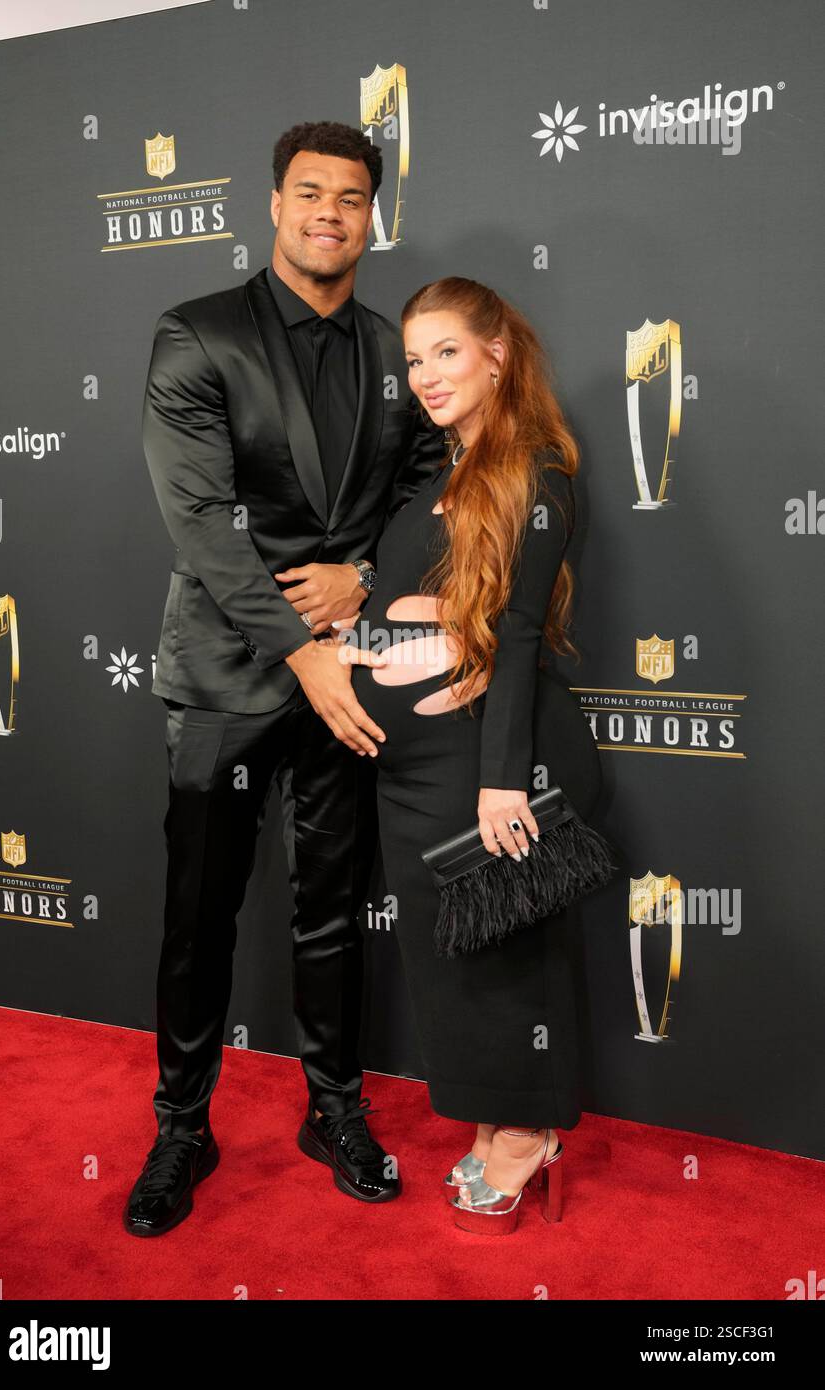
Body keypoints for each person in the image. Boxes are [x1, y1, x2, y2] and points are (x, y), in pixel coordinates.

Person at [123, 120, 446, 1237]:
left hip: (348, 671)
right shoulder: (196, 333)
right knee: (197, 917)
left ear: (372, 215)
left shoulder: (394, 350)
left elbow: (425, 488)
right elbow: (199, 519)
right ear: (272, 204)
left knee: (332, 911)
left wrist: (364, 578)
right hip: (228, 673)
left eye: (349, 197)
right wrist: (300, 646)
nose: (328, 214)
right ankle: (181, 1126)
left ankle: (334, 1109)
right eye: (309, 192)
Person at [343, 276, 589, 1234]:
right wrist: (363, 635)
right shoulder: (445, 471)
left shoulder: (537, 468)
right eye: (414, 359)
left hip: (479, 764)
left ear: (496, 355)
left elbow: (517, 634)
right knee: (452, 962)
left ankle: (527, 1135)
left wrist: (500, 783)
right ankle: (494, 1122)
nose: (427, 375)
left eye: (446, 351)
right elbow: (414, 610)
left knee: (503, 958)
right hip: (411, 772)